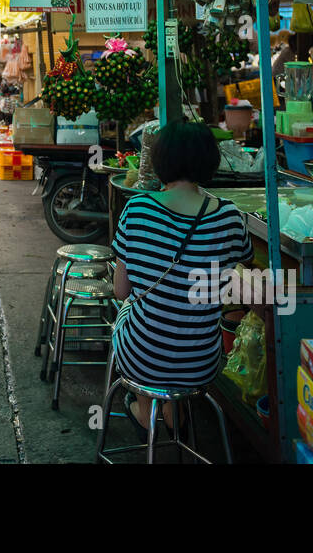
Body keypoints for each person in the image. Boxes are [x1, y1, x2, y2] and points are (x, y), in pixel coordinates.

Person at [111, 121, 251, 437]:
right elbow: (244, 265)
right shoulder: (229, 214)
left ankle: (146, 412)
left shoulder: (138, 209)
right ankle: (176, 414)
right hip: (202, 363)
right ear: (210, 162)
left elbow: (121, 291)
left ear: (161, 161)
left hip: (140, 357)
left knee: (129, 310)